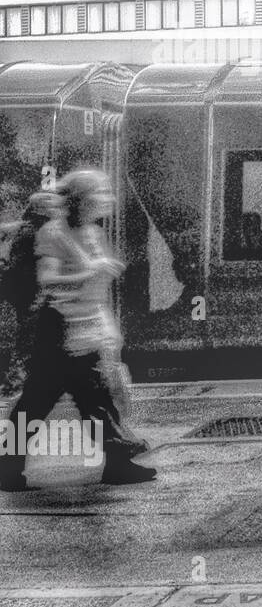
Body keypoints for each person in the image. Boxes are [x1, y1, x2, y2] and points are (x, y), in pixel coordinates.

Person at [0, 171, 154, 491]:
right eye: (100, 192)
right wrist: (92, 271)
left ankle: (117, 463)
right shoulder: (52, 234)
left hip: (89, 329)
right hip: (58, 331)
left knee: (97, 401)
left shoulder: (93, 233)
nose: (108, 198)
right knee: (36, 404)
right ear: (81, 200)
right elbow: (49, 281)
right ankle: (7, 467)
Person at [1, 190, 61, 399]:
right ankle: (15, 384)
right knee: (28, 341)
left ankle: (16, 384)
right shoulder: (36, 232)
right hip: (32, 295)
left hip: (26, 295)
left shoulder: (25, 230)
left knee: (27, 340)